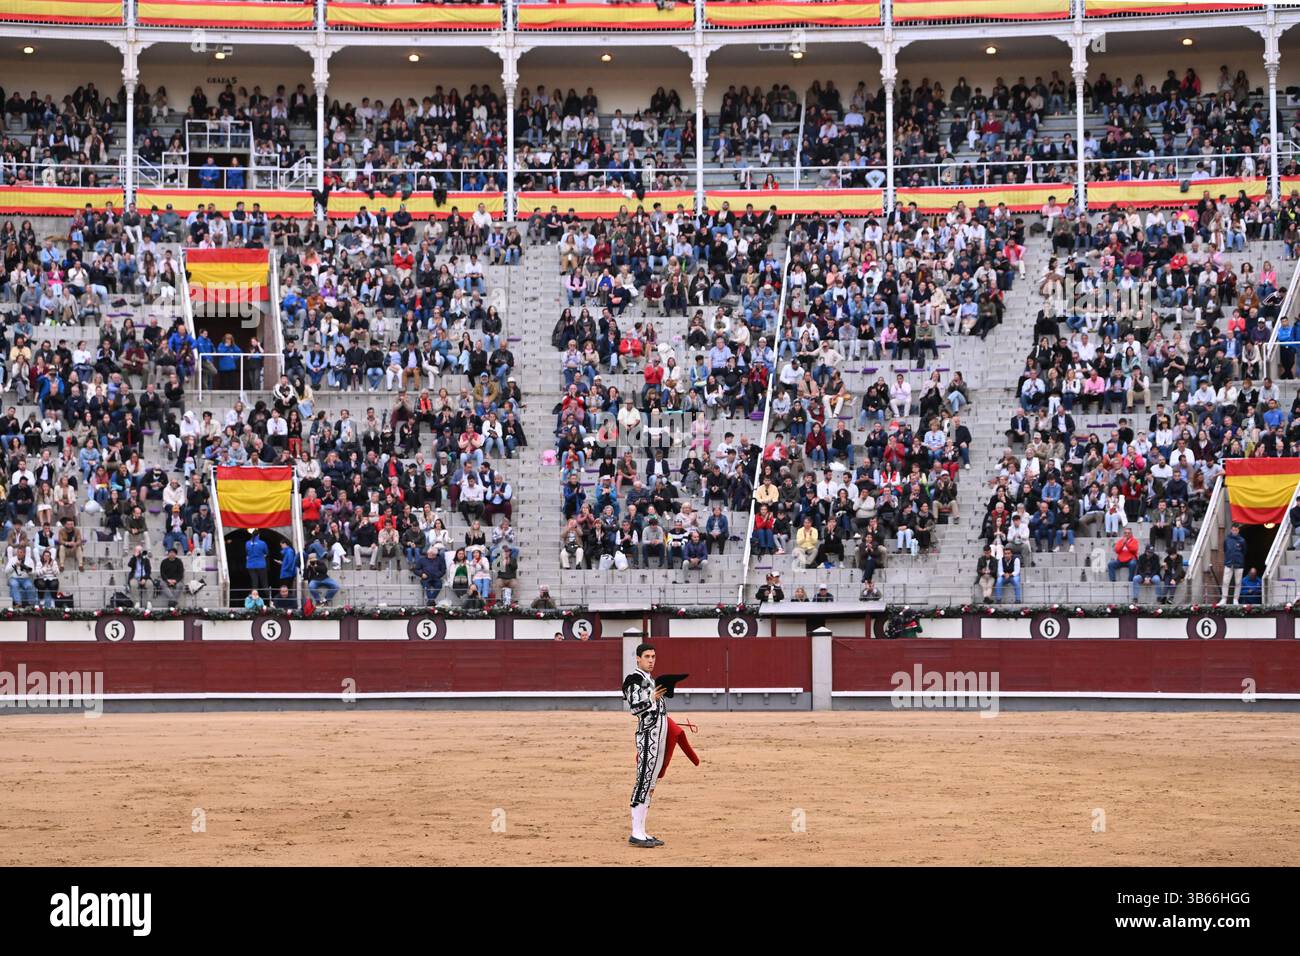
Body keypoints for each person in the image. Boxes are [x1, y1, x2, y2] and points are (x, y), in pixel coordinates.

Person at [623, 642, 668, 848]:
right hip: (648, 738)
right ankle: (635, 832)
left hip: (658, 738)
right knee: (643, 782)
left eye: (653, 657)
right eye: (647, 657)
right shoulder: (634, 680)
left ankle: (642, 830)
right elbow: (634, 708)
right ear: (638, 659)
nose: (651, 660)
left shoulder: (649, 680)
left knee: (650, 784)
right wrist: (651, 698)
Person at [1221, 523, 1247, 604]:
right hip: (1228, 563)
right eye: (1233, 530)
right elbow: (1225, 550)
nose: (1234, 531)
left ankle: (1236, 599)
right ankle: (1224, 599)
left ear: (1238, 530)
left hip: (1239, 564)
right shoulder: (1227, 539)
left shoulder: (1242, 540)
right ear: (1231, 530)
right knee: (1225, 581)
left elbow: (1244, 551)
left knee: (1238, 582)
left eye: (1236, 530)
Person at [246, 531, 270, 599]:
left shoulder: (247, 543)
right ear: (258, 535)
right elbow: (266, 552)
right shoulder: (262, 543)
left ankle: (253, 600)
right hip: (261, 565)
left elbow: (247, 553)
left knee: (254, 583)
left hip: (250, 565)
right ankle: (270, 600)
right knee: (264, 584)